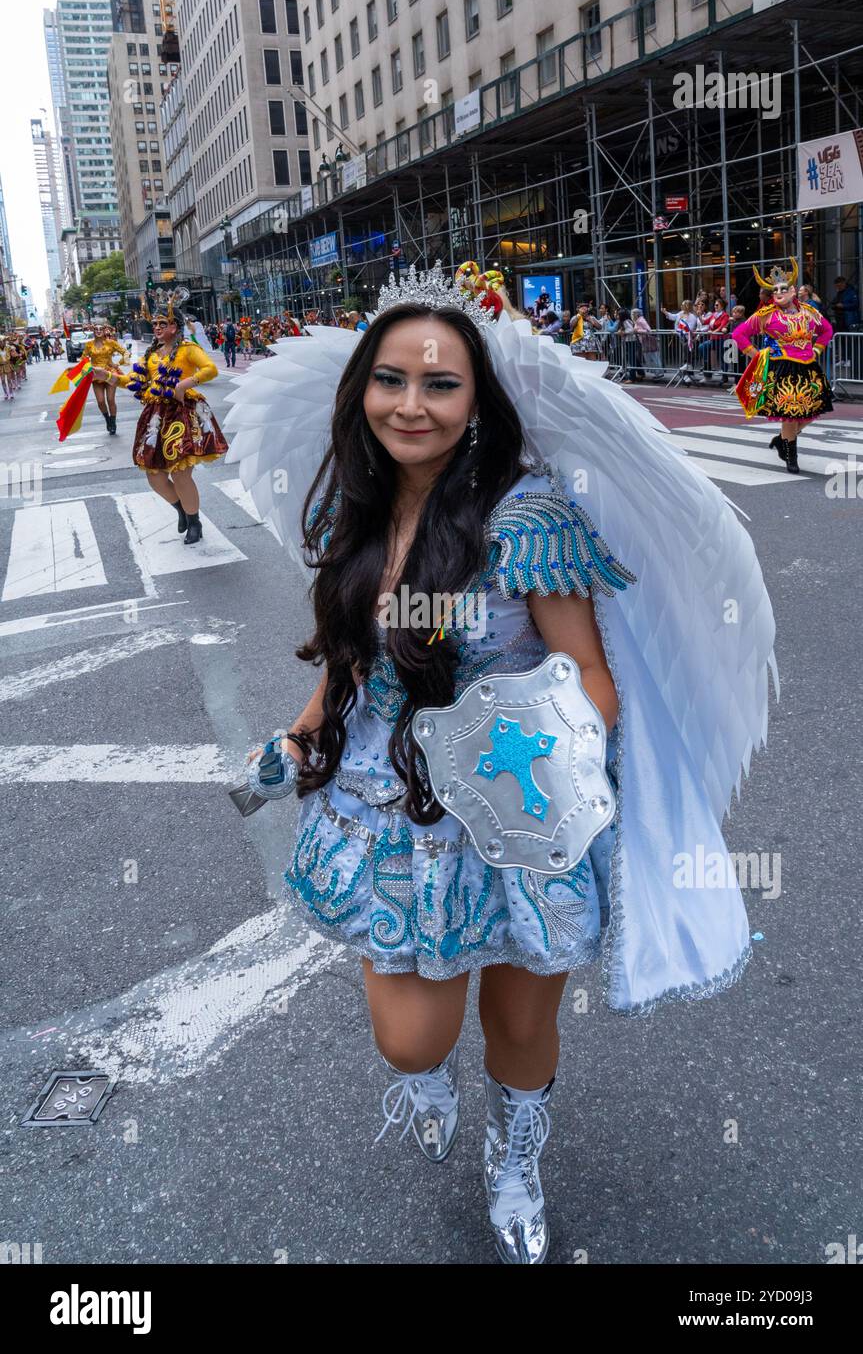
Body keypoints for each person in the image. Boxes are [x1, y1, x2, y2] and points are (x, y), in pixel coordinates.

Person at [224, 261, 777, 1266]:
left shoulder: (526, 520)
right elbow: (353, 654)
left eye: (440, 383)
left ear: (476, 397)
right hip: (386, 810)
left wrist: (512, 760)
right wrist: (302, 729)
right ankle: (432, 1084)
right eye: (392, 380)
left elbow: (592, 683)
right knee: (411, 1041)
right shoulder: (350, 510)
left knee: (520, 1026)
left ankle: (514, 1155)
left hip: (520, 811)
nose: (412, 404)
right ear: (363, 391)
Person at [91, 287, 227, 543]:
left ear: (175, 327)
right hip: (155, 417)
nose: (156, 327)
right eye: (154, 324)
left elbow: (210, 370)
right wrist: (106, 376)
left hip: (183, 414)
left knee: (181, 471)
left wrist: (184, 385)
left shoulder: (187, 349)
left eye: (162, 323)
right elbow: (132, 380)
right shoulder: (151, 354)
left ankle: (194, 522)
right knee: (154, 475)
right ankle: (181, 510)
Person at [731, 257, 833, 473]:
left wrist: (817, 349)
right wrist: (755, 355)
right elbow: (739, 333)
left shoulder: (809, 311)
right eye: (774, 289)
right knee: (790, 414)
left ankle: (781, 440)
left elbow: (827, 330)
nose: (778, 292)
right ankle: (791, 456)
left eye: (783, 288)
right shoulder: (766, 315)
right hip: (782, 369)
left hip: (808, 368)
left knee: (810, 413)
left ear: (793, 290)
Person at [83, 321, 129, 434]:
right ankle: (107, 419)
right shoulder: (89, 344)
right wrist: (87, 368)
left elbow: (126, 353)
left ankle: (113, 422)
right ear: (93, 331)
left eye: (101, 329)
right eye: (96, 329)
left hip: (109, 374)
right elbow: (83, 359)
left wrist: (118, 364)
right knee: (100, 401)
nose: (98, 331)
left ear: (104, 331)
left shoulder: (111, 343)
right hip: (96, 376)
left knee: (110, 399)